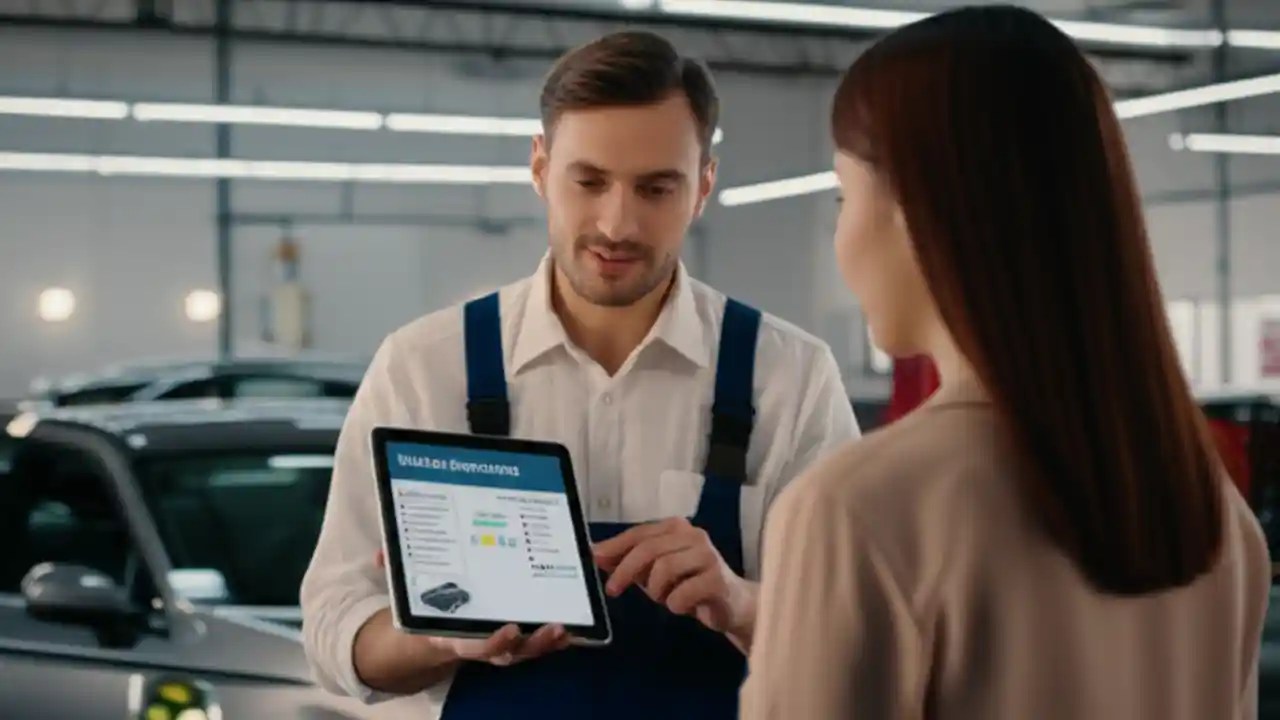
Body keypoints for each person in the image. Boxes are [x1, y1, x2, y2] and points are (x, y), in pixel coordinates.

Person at [300, 30, 860, 720]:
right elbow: (333, 631)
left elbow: (857, 642)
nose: (617, 224)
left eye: (657, 187)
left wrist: (740, 603)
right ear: (540, 168)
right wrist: (438, 637)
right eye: (589, 181)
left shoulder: (789, 377)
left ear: (704, 186)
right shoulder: (423, 366)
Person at [739, 6, 1271, 720]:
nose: (841, 235)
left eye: (843, 195)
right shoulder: (1213, 514)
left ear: (916, 209)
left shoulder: (856, 511)